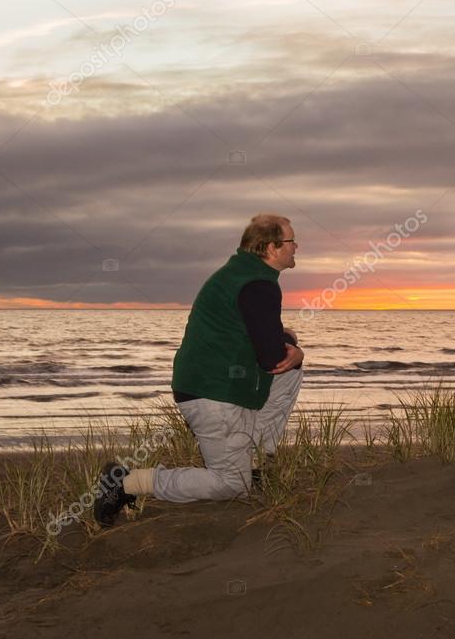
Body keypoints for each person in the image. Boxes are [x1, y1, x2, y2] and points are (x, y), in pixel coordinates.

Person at [93, 214, 304, 527]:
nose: (296, 247)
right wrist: (294, 349)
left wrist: (287, 343)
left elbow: (255, 337)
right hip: (213, 396)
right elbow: (273, 357)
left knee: (289, 373)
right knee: (233, 485)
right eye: (290, 241)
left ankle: (256, 460)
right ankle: (124, 483)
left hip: (209, 386)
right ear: (272, 248)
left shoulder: (241, 274)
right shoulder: (258, 285)